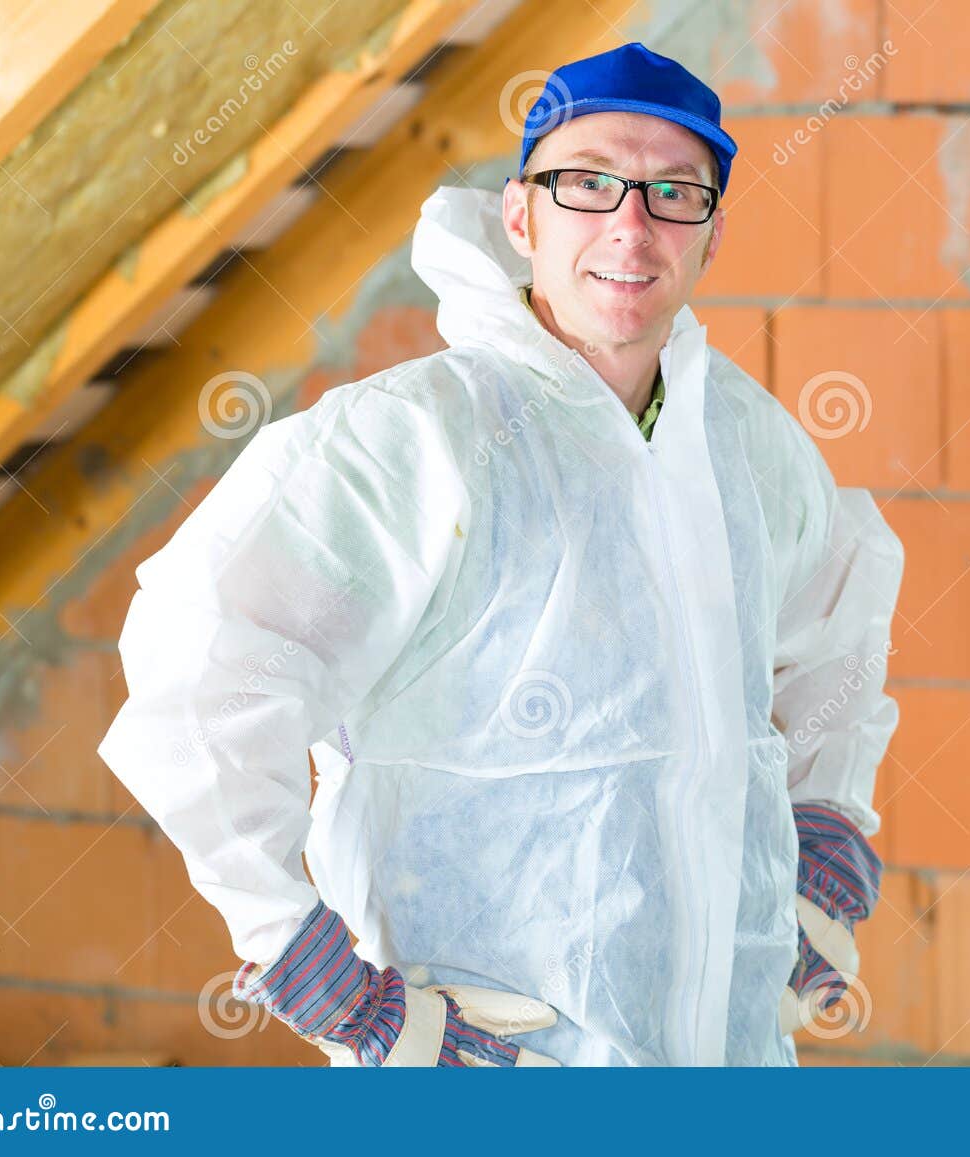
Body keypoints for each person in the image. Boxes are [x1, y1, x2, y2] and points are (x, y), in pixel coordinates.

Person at [97, 40, 903, 1067]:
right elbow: (201, 674)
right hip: (481, 1065)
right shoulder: (415, 441)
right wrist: (312, 965)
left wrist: (825, 820)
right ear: (521, 215)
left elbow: (835, 609)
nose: (630, 224)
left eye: (672, 193)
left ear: (711, 237)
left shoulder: (743, 443)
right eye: (587, 183)